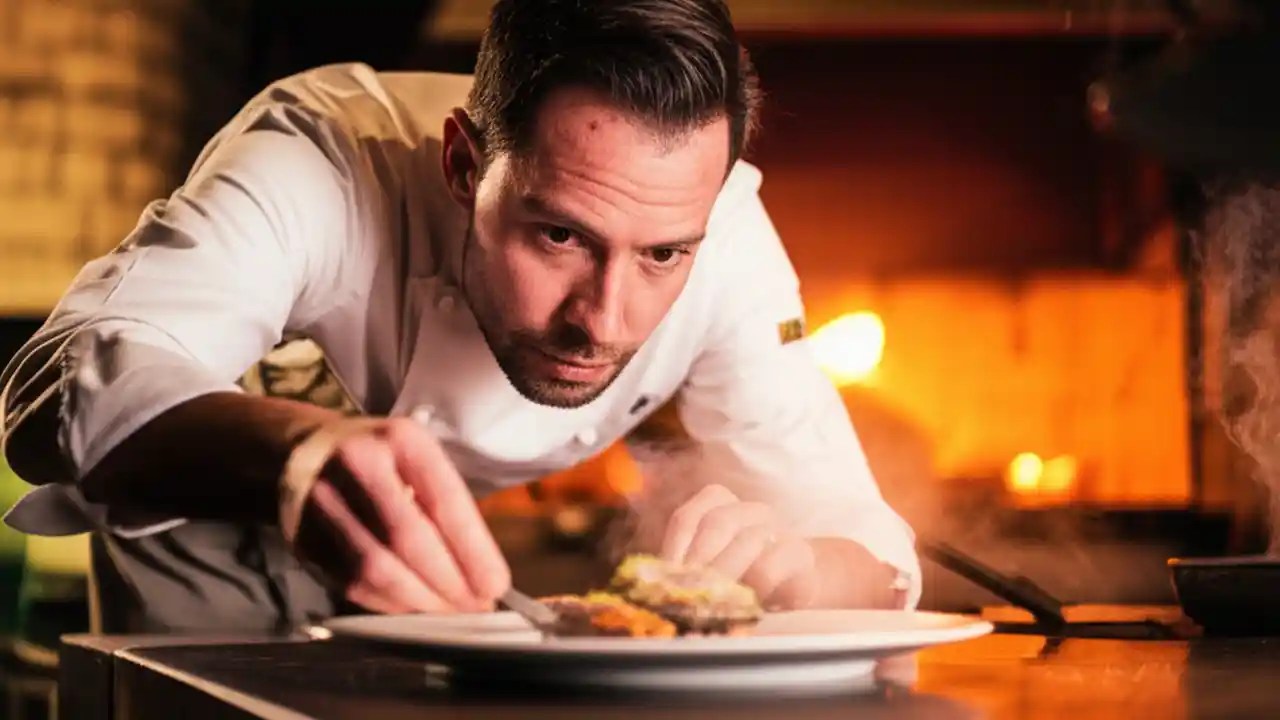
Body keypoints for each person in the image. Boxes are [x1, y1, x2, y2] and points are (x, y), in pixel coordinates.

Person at [0, 0, 920, 633]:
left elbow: (862, 536)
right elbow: (56, 389)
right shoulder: (319, 157)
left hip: (456, 618)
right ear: (460, 165)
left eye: (663, 254)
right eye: (559, 234)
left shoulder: (729, 242)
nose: (603, 319)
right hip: (206, 600)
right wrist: (298, 455)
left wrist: (803, 568)